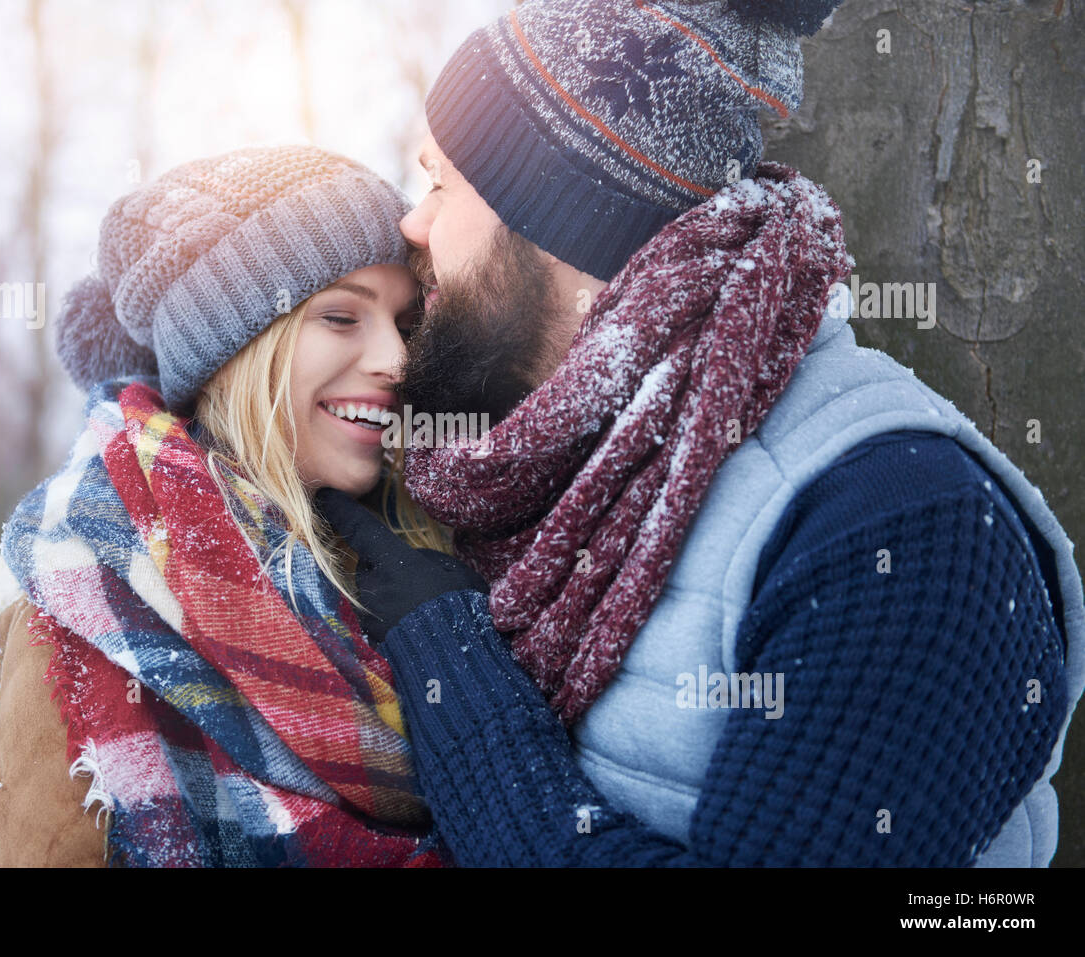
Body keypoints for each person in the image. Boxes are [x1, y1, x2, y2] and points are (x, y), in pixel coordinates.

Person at [318, 0, 1085, 866]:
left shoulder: (901, 529)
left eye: (440, 183)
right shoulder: (540, 468)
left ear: (550, 216)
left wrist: (447, 656)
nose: (413, 227)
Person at [0, 146, 461, 867]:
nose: (396, 357)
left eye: (404, 321)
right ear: (235, 349)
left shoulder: (432, 542)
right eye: (340, 316)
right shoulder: (92, 591)